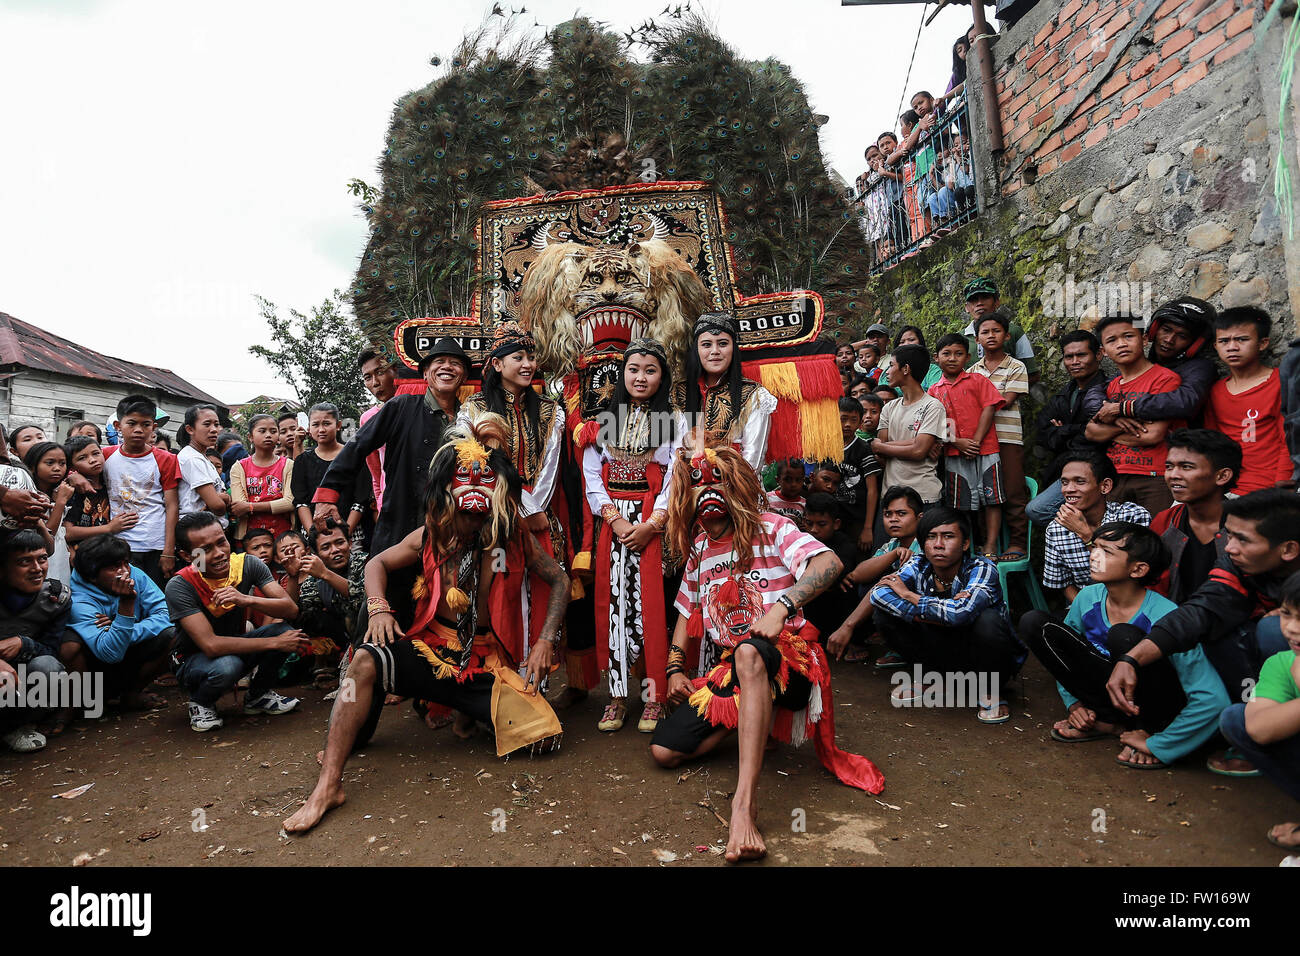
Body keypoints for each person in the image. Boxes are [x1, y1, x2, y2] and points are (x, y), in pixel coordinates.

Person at [282, 412, 570, 834]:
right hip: (429, 651)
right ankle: (328, 786)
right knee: (363, 661)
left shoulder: (510, 537)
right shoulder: (430, 534)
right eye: (466, 512)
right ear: (448, 495)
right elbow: (377, 562)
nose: (473, 521)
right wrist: (378, 606)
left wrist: (545, 640)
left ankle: (462, 711)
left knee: (545, 737)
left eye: (481, 512)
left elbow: (560, 579)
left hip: (482, 664)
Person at [649, 444, 884, 863]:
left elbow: (827, 563)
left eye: (717, 479)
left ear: (737, 484)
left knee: (750, 654)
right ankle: (758, 721)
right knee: (665, 750)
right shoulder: (701, 549)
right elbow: (688, 611)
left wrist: (782, 608)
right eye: (698, 481)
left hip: (790, 662)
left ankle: (744, 805)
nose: (707, 488)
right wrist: (673, 668)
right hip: (736, 671)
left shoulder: (773, 526)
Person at [1105, 489, 1300, 774]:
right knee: (1218, 633)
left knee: (1273, 630)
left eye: (1242, 540)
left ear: (1288, 549)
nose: (1229, 547)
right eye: (1229, 535)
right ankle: (1256, 730)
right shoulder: (1237, 566)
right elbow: (1201, 611)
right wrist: (1131, 659)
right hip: (1272, 673)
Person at [1025, 522, 1229, 769]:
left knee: (1123, 636)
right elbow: (1068, 657)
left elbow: (1212, 699)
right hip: (1110, 693)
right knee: (1036, 623)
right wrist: (1076, 705)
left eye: (1107, 552)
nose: (1093, 556)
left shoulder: (1167, 616)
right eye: (1094, 547)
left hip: (1157, 704)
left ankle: (1145, 730)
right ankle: (1107, 722)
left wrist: (1162, 743)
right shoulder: (1088, 597)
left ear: (1139, 569)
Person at [313, 338, 470, 623]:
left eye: (455, 363)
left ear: (464, 375)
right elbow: (357, 445)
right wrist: (327, 495)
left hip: (449, 532)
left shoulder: (469, 419)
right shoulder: (402, 407)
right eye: (439, 362)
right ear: (425, 373)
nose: (447, 367)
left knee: (441, 620)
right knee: (383, 611)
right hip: (399, 524)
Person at [579, 340, 677, 734]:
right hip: (615, 524)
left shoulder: (675, 421)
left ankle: (655, 696)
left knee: (652, 607)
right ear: (622, 374)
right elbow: (590, 477)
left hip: (652, 524)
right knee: (615, 605)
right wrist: (615, 521)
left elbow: (676, 478)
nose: (641, 377)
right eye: (634, 369)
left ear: (661, 377)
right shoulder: (601, 421)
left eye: (650, 370)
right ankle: (617, 696)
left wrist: (653, 523)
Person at [459, 322, 568, 673]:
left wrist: (532, 509)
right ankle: (497, 682)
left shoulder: (551, 410)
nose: (527, 364)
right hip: (493, 521)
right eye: (517, 357)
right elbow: (475, 464)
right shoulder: (472, 410)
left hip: (539, 519)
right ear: (496, 364)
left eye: (531, 357)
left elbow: (550, 464)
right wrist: (515, 509)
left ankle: (535, 686)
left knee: (540, 596)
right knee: (499, 601)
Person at [869, 505, 1023, 723]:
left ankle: (990, 691)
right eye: (931, 537)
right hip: (943, 651)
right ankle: (931, 678)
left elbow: (961, 613)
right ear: (923, 545)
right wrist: (940, 613)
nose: (939, 545)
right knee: (884, 615)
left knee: (987, 621)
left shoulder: (982, 567)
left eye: (948, 536)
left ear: (965, 543)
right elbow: (878, 594)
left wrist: (911, 597)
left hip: (982, 658)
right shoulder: (918, 564)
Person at [165, 512, 303, 732]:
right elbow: (211, 646)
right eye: (206, 549)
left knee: (285, 630)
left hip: (233, 646)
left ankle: (258, 696)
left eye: (222, 542)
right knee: (229, 665)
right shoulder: (180, 585)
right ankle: (200, 702)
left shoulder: (246, 564)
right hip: (192, 660)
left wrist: (246, 598)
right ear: (186, 555)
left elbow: (290, 609)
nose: (219, 554)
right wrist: (274, 643)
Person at [1218, 571, 1300, 855]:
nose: (1292, 628)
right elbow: (1259, 728)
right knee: (1236, 719)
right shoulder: (1283, 663)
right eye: (1287, 614)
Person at [1085, 314, 1183, 516]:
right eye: (1112, 340)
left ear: (1145, 339)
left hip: (1155, 476)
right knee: (1114, 541)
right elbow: (1091, 432)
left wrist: (1109, 428)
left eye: (1128, 336)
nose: (1121, 344)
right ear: (1103, 351)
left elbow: (1152, 435)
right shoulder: (1110, 387)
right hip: (1114, 475)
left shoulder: (1164, 379)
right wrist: (1124, 425)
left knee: (1155, 540)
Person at [66, 534, 174, 712]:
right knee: (69, 645)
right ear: (92, 576)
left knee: (172, 634)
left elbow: (166, 614)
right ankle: (82, 704)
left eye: (125, 563)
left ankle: (132, 694)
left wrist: (121, 626)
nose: (124, 571)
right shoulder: (79, 601)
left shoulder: (135, 574)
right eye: (114, 567)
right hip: (98, 669)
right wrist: (126, 605)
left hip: (131, 651)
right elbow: (110, 653)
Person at [1084, 296, 1216, 439]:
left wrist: (1122, 409)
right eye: (1166, 330)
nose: (1169, 340)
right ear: (1153, 330)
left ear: (1195, 343)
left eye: (1182, 336)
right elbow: (1095, 393)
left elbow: (1185, 402)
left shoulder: (1200, 368)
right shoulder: (1140, 366)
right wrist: (1110, 414)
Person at [828, 485, 925, 665]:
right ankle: (895, 648)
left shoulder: (926, 545)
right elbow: (858, 574)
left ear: (919, 518)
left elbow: (885, 586)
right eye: (888, 514)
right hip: (906, 607)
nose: (893, 519)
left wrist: (847, 626)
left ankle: (912, 654)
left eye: (901, 514)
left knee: (881, 606)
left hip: (927, 614)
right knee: (852, 583)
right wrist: (893, 554)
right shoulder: (893, 544)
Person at [928, 332, 1004, 558]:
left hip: (987, 448)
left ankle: (990, 544)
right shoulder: (934, 391)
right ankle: (967, 548)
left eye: (958, 354)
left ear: (967, 357)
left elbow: (989, 408)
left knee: (992, 499)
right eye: (947, 354)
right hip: (954, 452)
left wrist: (976, 442)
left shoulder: (978, 380)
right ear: (936, 358)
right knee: (960, 504)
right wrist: (958, 442)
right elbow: (938, 423)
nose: (952, 358)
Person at [1203, 307, 1292, 494]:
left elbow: (1289, 439)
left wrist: (1283, 486)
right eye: (1224, 341)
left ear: (1262, 343)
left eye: (1242, 339)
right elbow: (1212, 444)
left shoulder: (1279, 383)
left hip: (1269, 488)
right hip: (1226, 490)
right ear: (1215, 346)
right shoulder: (1215, 391)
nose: (1232, 347)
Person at [1042, 454, 1150, 602]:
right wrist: (1088, 611)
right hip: (1087, 604)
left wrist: (1086, 535)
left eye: (1080, 482)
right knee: (1033, 619)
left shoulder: (1132, 516)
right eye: (1064, 482)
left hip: (1132, 602)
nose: (1069, 489)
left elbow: (1132, 571)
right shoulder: (1056, 529)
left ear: (1105, 486)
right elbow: (1063, 584)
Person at [1027, 329, 1108, 525]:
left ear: (1098, 355)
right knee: (1036, 510)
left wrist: (1062, 431)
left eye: (1081, 355)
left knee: (1038, 509)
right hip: (1065, 469)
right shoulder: (1066, 392)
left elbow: (1092, 438)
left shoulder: (1105, 390)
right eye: (1069, 357)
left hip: (1096, 469)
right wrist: (1075, 430)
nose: (1075, 362)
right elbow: (1043, 431)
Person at [0, 529, 70, 751]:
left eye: (42, 559)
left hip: (18, 679)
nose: (37, 569)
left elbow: (51, 650)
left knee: (48, 669)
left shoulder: (55, 597)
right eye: (24, 562)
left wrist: (23, 644)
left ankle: (13, 726)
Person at [1152, 429, 1241, 603]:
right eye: (1169, 467)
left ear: (1222, 476)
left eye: (1186, 467)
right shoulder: (1164, 521)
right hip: (1174, 620)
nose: (1173, 475)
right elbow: (1153, 585)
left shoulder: (1248, 525)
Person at [970, 309, 1031, 562]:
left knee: (1014, 490)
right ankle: (987, 544)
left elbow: (1005, 401)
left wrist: (981, 402)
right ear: (977, 340)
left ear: (1006, 336)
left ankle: (1017, 543)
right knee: (984, 493)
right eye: (985, 332)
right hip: (982, 440)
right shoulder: (973, 371)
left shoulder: (1016, 367)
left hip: (1007, 438)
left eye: (996, 331)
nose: (991, 335)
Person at [681, 311, 776, 473]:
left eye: (723, 343)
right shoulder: (678, 393)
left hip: (736, 488)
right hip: (684, 489)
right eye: (706, 345)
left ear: (734, 349)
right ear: (696, 350)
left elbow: (753, 460)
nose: (715, 351)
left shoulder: (754, 395)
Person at [102, 395, 180, 588]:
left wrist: (168, 550)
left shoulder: (166, 459)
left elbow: (172, 506)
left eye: (145, 424)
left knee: (155, 599)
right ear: (118, 425)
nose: (138, 430)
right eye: (132, 423)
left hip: (155, 544)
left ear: (153, 427)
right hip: (120, 544)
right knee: (124, 596)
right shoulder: (106, 455)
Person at [283, 518, 366, 689]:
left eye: (340, 542)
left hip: (372, 633)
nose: (335, 550)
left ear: (350, 543)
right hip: (345, 638)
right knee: (311, 618)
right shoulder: (314, 579)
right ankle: (331, 663)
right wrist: (293, 577)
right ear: (316, 553)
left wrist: (326, 574)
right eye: (326, 547)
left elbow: (363, 599)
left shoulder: (364, 562)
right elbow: (295, 615)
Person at [871, 344, 946, 508]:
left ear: (905, 369)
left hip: (923, 497)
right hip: (890, 497)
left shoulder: (933, 406)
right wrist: (916, 443)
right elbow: (879, 454)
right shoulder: (889, 407)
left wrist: (882, 446)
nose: (887, 372)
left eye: (891, 365)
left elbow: (918, 452)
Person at [292, 403, 370, 540]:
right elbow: (301, 501)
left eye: (327, 423)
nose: (321, 429)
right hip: (313, 534)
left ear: (338, 425)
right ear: (309, 428)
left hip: (352, 532)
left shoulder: (354, 456)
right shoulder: (302, 461)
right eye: (315, 425)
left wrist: (346, 533)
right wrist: (314, 535)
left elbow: (360, 500)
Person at [799, 493, 859, 645]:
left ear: (836, 524)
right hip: (809, 609)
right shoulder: (800, 541)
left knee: (848, 585)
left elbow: (840, 571)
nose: (814, 529)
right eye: (809, 523)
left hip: (835, 611)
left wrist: (833, 580)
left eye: (821, 524)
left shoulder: (845, 544)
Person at [959, 277, 1040, 383]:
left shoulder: (1014, 332)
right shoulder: (960, 338)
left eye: (985, 297)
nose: (979, 303)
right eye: (973, 300)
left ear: (997, 302)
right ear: (967, 307)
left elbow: (1032, 373)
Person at [229, 414, 295, 541]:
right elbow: (240, 507)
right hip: (250, 538)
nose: (268, 435)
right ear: (250, 437)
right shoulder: (239, 468)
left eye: (273, 431)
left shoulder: (288, 465)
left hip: (283, 537)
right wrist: (273, 504)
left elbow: (289, 502)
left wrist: (251, 506)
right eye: (262, 431)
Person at [62, 437, 130, 548]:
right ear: (72, 466)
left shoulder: (110, 483)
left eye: (96, 453)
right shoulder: (74, 491)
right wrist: (109, 528)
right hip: (84, 554)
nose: (92, 460)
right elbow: (67, 532)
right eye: (82, 458)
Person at [834, 397, 881, 553]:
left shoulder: (862, 448)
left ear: (860, 422)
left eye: (853, 420)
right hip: (832, 515)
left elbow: (872, 490)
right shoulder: (826, 446)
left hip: (856, 517)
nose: (848, 424)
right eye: (843, 419)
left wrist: (867, 528)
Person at [357, 348, 398, 516]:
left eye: (380, 372)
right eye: (367, 377)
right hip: (389, 503)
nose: (374, 382)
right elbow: (376, 470)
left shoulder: (420, 407)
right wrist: (380, 501)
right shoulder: (368, 419)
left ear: (395, 370)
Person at [23, 442, 72, 582]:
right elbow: (47, 537)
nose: (57, 468)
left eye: (62, 463)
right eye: (50, 463)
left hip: (60, 561)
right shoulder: (29, 495)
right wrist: (61, 502)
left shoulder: (61, 490)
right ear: (33, 466)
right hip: (43, 562)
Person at [176, 404, 230, 528]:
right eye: (207, 424)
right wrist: (223, 499)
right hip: (197, 529)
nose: (214, 430)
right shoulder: (192, 458)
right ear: (190, 429)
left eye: (216, 424)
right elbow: (218, 506)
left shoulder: (202, 457)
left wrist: (222, 499)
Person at [766, 458, 807, 527]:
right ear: (778, 480)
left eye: (798, 480)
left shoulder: (805, 504)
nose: (793, 484)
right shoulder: (767, 498)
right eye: (788, 480)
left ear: (803, 481)